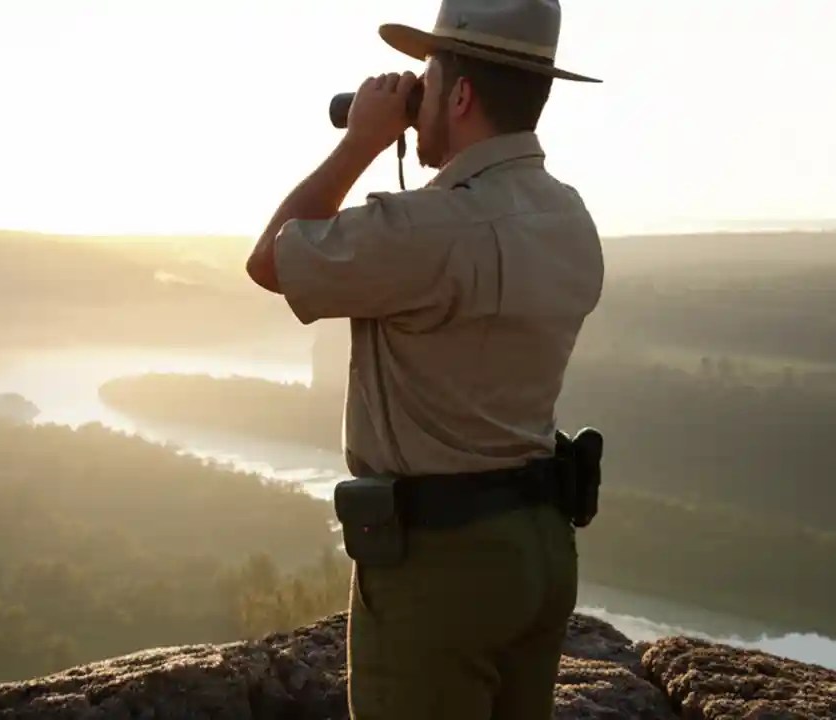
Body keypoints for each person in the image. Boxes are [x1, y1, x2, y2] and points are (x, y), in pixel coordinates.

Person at [244, 1, 604, 718]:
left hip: (438, 567)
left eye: (429, 80)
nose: (416, 97)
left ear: (462, 95)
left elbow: (270, 259)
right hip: (541, 550)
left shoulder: (429, 229)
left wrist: (360, 142)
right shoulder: (570, 217)